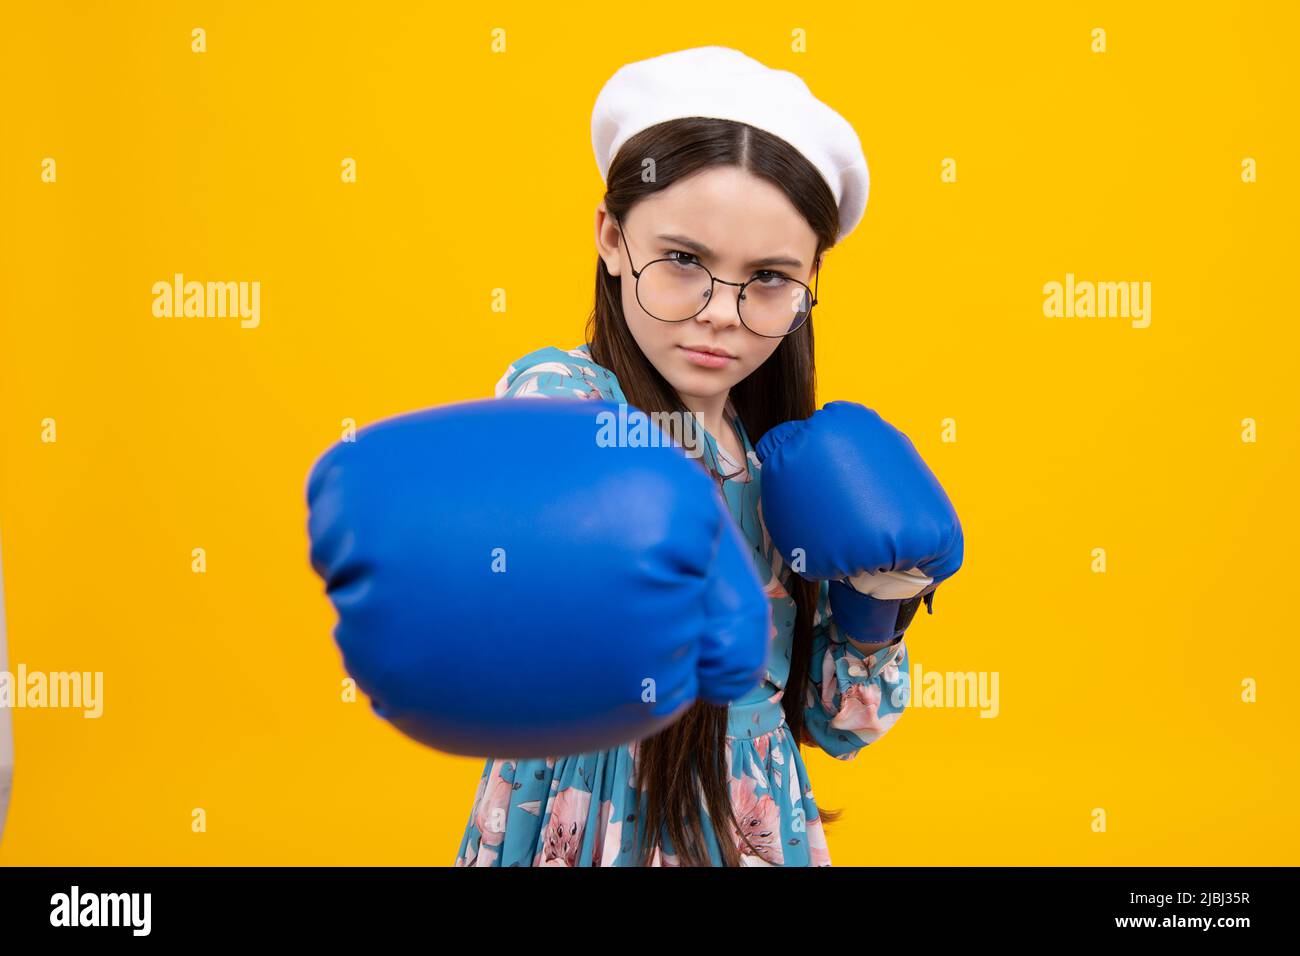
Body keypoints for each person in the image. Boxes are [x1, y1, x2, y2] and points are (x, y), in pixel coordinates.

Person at [451, 46, 963, 867]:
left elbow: (839, 723)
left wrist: (882, 597)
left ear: (809, 285)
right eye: (684, 261)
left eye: (767, 278)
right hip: (588, 817)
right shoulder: (568, 392)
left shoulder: (784, 479)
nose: (721, 313)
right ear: (612, 238)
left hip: (754, 825)